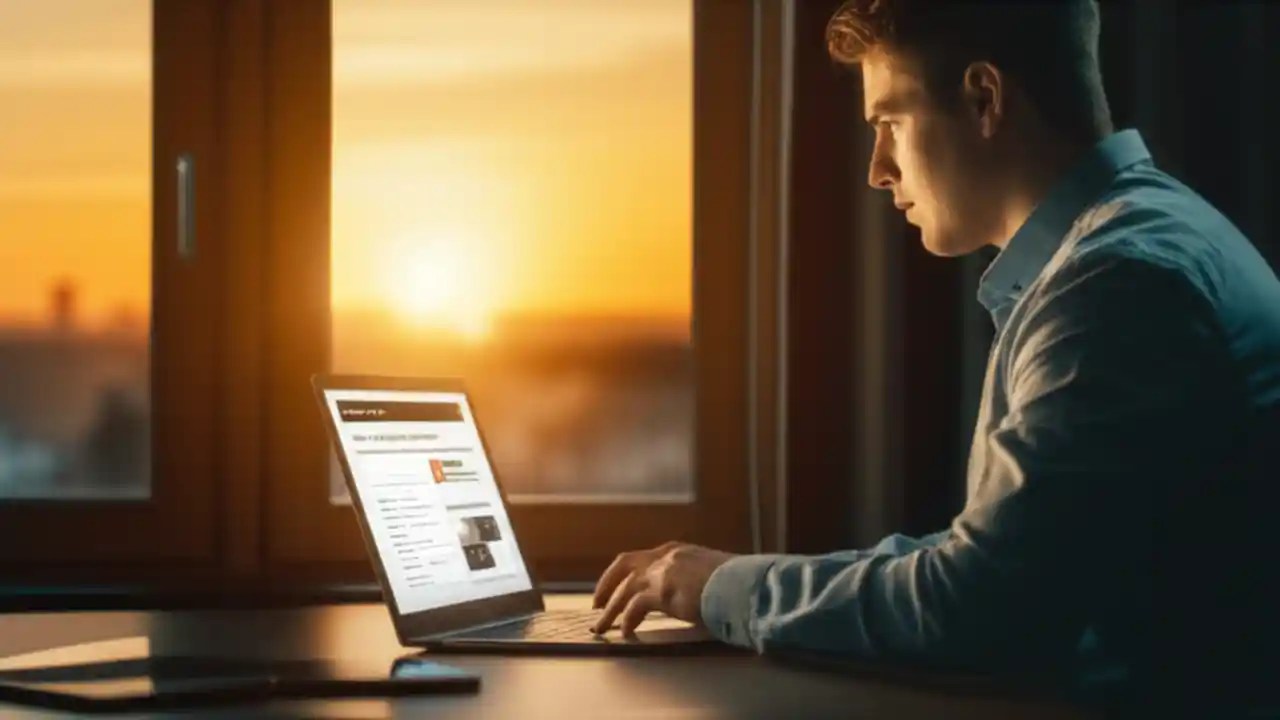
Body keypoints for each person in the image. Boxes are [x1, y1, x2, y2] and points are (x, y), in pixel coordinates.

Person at [591, 0, 1280, 710]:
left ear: (984, 98)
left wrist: (720, 589)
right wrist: (729, 578)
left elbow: (978, 605)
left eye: (889, 122)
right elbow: (989, 559)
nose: (876, 170)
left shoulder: (1118, 287)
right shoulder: (1130, 248)